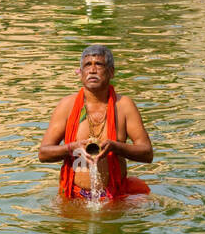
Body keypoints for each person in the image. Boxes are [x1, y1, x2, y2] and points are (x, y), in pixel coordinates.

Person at [38, 45, 154, 199]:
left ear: (111, 72)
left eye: (98, 65)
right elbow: (43, 153)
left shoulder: (124, 105)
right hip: (75, 197)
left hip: (115, 196)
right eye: (87, 65)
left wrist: (115, 146)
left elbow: (147, 153)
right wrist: (72, 147)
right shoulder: (67, 105)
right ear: (80, 74)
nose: (92, 70)